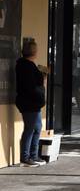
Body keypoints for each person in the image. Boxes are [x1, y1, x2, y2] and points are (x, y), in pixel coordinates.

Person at [15, 38, 46, 167]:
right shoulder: (26, 66)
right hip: (30, 103)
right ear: (34, 52)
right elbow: (31, 86)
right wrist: (42, 78)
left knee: (37, 128)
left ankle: (34, 155)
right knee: (30, 129)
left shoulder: (27, 65)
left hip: (32, 103)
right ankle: (26, 157)